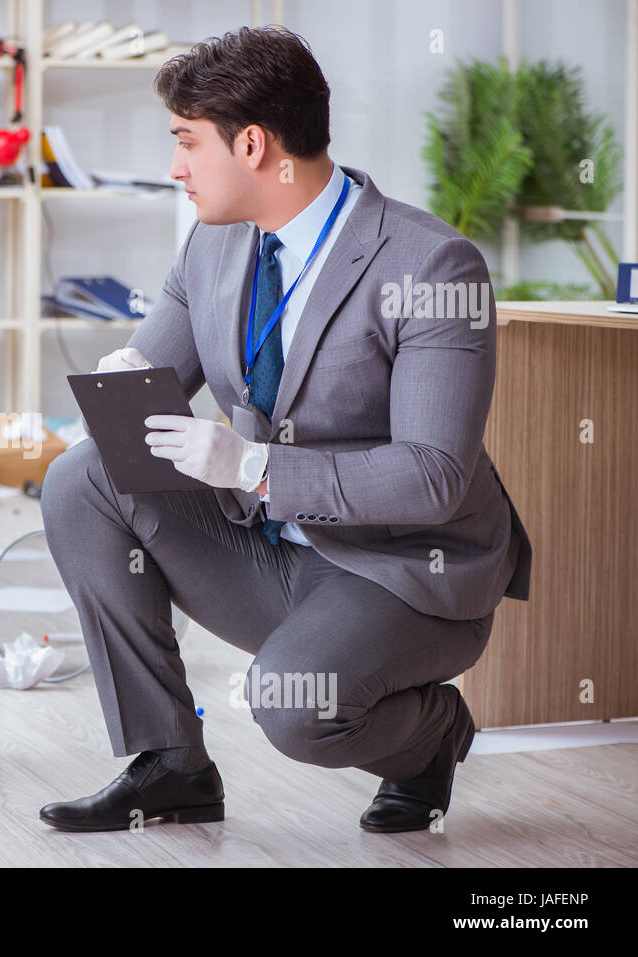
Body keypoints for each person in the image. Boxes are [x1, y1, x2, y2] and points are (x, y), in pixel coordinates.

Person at [38, 25, 532, 834]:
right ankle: (172, 763)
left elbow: (435, 474)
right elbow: (153, 370)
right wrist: (126, 370)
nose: (175, 168)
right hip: (269, 548)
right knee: (83, 476)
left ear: (255, 144)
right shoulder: (214, 242)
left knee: (292, 707)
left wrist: (256, 463)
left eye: (188, 143)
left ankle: (434, 733)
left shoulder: (431, 266)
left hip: (401, 570)